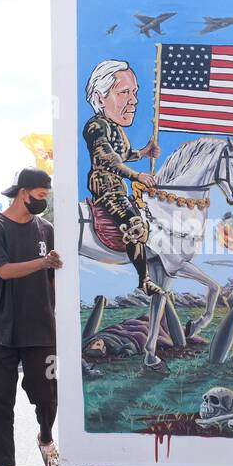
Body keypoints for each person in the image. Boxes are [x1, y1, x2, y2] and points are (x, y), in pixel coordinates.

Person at [0, 167, 62, 466]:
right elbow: (3, 270)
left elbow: (56, 278)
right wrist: (43, 263)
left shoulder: (47, 229)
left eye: (46, 196)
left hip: (41, 326)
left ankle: (45, 437)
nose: (43, 201)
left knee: (48, 395)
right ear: (23, 192)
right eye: (40, 196)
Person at [81, 60, 160, 296]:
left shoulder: (114, 127)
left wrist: (143, 153)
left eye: (134, 92)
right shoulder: (95, 127)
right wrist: (137, 176)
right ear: (99, 97)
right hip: (105, 187)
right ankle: (144, 281)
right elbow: (109, 159)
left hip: (117, 185)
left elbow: (123, 155)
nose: (133, 100)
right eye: (124, 92)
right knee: (135, 224)